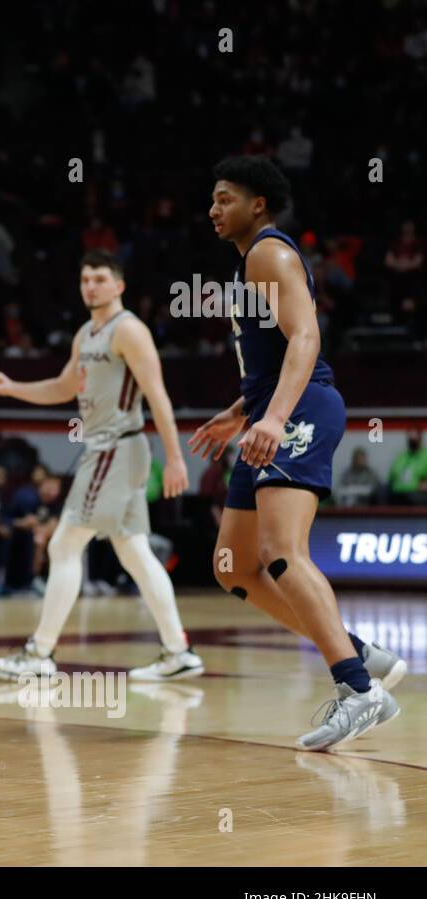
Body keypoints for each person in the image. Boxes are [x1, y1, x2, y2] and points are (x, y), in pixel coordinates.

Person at [193, 155, 403, 752]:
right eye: (212, 199)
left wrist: (277, 417)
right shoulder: (247, 266)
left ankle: (358, 688)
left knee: (282, 552)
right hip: (270, 410)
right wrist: (240, 413)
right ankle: (356, 650)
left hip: (302, 409)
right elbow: (270, 355)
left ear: (258, 204)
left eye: (225, 198)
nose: (214, 209)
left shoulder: (268, 252)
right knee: (234, 567)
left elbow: (306, 337)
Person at [0, 250, 201, 682]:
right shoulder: (86, 333)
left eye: (100, 279)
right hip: (112, 450)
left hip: (116, 449)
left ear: (119, 286)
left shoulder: (130, 330)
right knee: (134, 551)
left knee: (63, 546)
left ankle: (39, 655)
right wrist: (13, 388)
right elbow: (64, 387)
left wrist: (176, 457)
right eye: (85, 280)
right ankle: (179, 651)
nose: (91, 286)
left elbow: (158, 395)